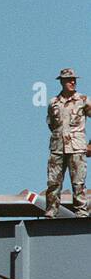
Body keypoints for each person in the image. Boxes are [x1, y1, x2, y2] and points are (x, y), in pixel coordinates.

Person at [45, 68, 91, 218]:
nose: (73, 82)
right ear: (62, 82)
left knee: (78, 183)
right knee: (53, 183)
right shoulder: (54, 103)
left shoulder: (83, 100)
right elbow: (51, 124)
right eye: (69, 79)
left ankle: (81, 213)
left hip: (77, 148)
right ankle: (51, 212)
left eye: (74, 79)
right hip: (57, 148)